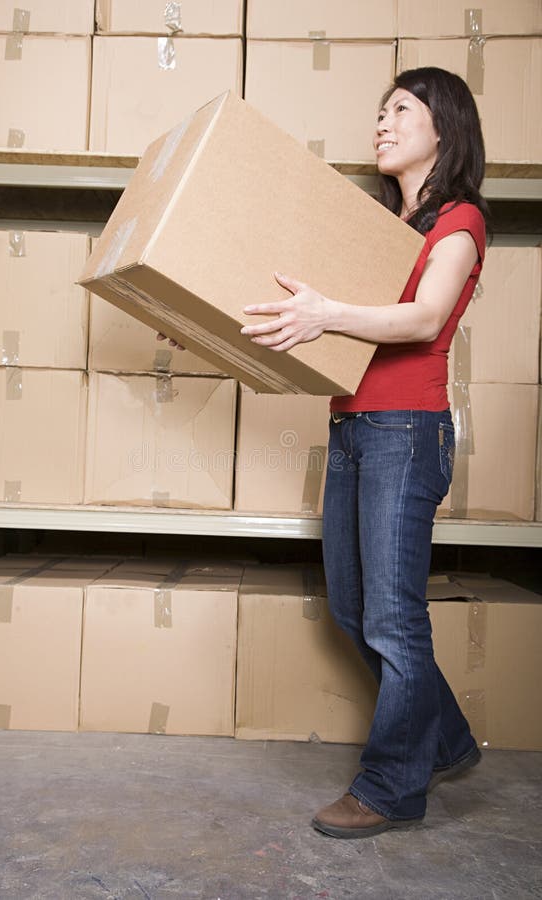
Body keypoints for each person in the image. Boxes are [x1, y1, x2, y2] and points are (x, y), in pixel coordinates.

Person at [239, 66, 489, 839]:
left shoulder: (460, 221)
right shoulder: (381, 228)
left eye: (401, 110)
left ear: (444, 127)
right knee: (352, 611)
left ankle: (390, 789)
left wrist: (329, 314)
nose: (382, 123)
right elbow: (306, 308)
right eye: (380, 112)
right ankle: (447, 740)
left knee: (392, 618)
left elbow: (424, 317)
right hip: (352, 428)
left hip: (406, 433)